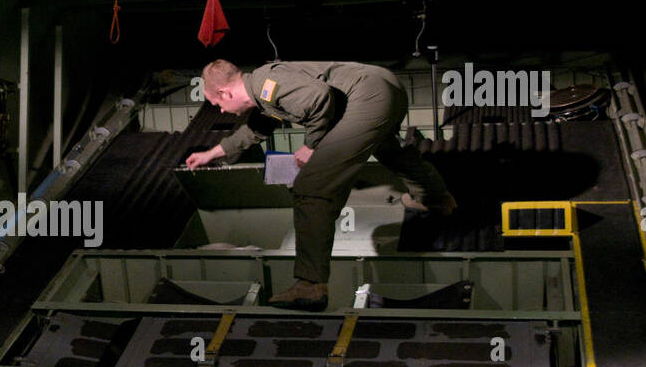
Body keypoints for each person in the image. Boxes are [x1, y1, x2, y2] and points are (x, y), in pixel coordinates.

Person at [185, 59, 456, 311]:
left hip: (368, 95)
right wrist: (211, 154)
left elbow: (319, 98)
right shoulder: (263, 90)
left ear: (225, 92)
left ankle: (310, 285)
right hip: (384, 88)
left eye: (216, 104)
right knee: (389, 151)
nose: (220, 111)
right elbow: (255, 129)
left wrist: (311, 145)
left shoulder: (267, 85)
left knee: (311, 187)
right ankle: (434, 198)